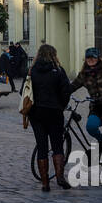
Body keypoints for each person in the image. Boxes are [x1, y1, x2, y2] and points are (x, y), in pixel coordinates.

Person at [28, 43, 71, 191]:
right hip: (54, 112)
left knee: (42, 147)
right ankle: (60, 177)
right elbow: (66, 91)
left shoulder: (32, 71)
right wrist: (61, 105)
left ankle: (45, 183)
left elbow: (24, 92)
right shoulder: (58, 70)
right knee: (58, 146)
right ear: (54, 55)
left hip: (36, 113)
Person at [69, 47, 102, 156]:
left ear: (98, 58)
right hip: (96, 108)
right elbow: (73, 86)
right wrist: (59, 91)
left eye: (93, 57)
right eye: (88, 57)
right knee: (91, 127)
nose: (90, 59)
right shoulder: (84, 74)